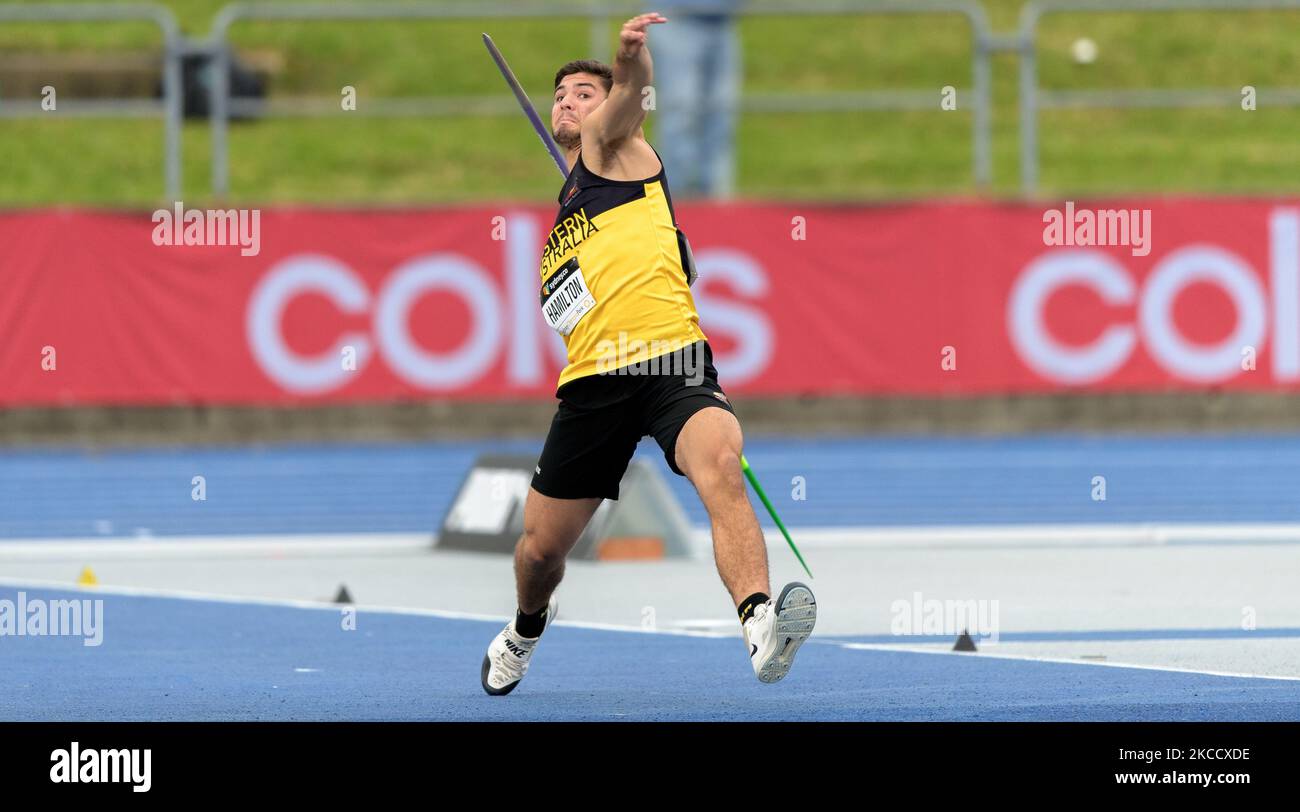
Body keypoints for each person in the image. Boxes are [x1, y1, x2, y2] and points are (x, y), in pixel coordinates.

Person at [481, 12, 815, 697]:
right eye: (562, 95)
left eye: (584, 92)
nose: (570, 101)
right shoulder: (570, 206)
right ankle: (524, 630)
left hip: (672, 363)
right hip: (594, 384)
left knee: (720, 462)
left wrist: (629, 60)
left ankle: (761, 628)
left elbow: (629, 97)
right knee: (540, 550)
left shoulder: (616, 146)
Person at [651, 0, 742, 199]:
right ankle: (674, 207)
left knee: (721, 117)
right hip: (675, 17)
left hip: (722, 20)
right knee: (680, 116)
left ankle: (717, 207)